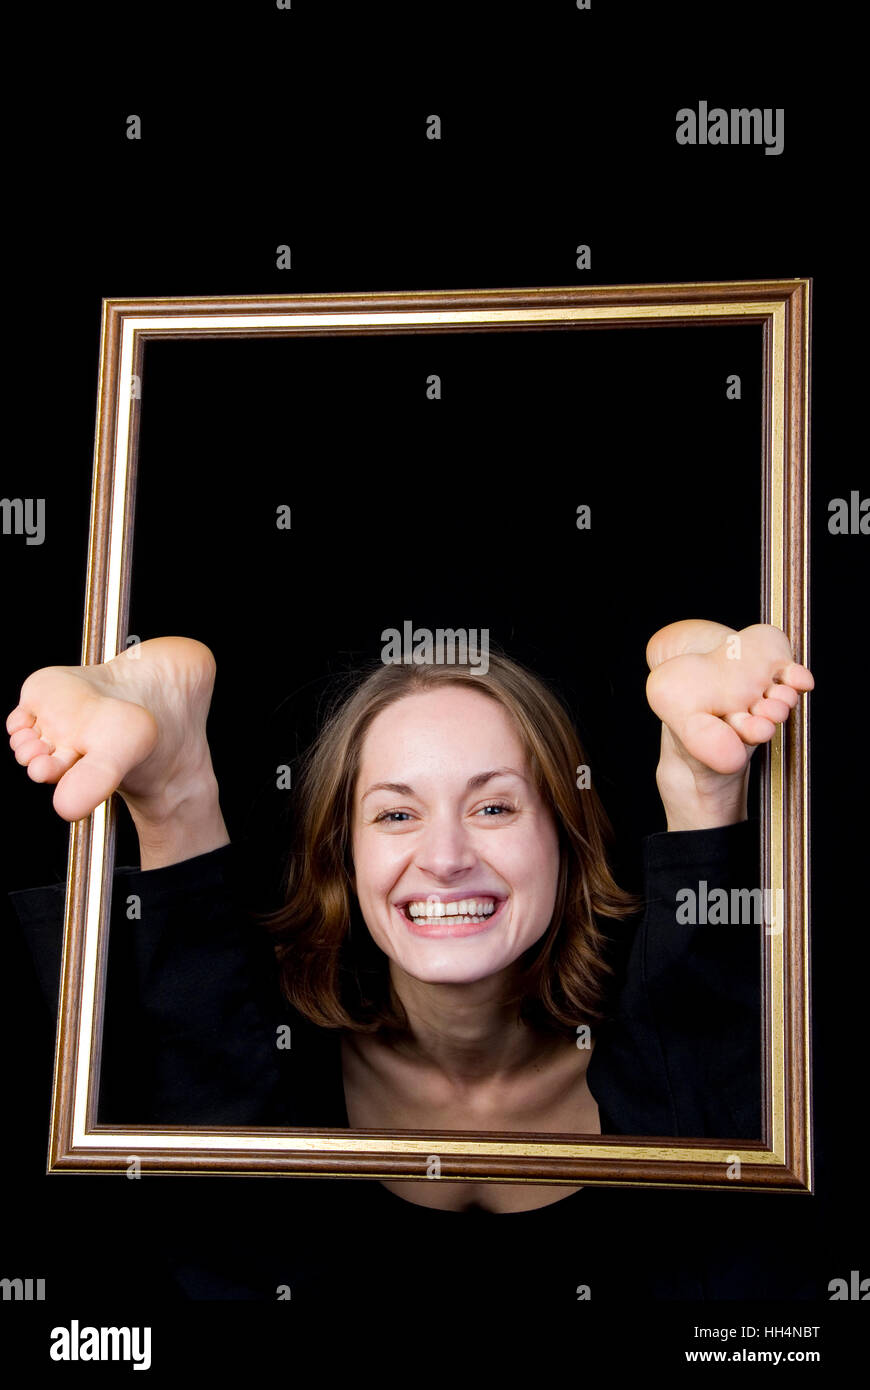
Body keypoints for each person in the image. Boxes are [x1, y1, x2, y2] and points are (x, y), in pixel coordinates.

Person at [7, 618, 818, 1297]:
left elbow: (757, 1326)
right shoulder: (257, 1058)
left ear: (566, 843)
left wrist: (710, 798)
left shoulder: (684, 1065)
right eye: (396, 816)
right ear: (344, 858)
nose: (446, 856)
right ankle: (177, 792)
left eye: (494, 805)